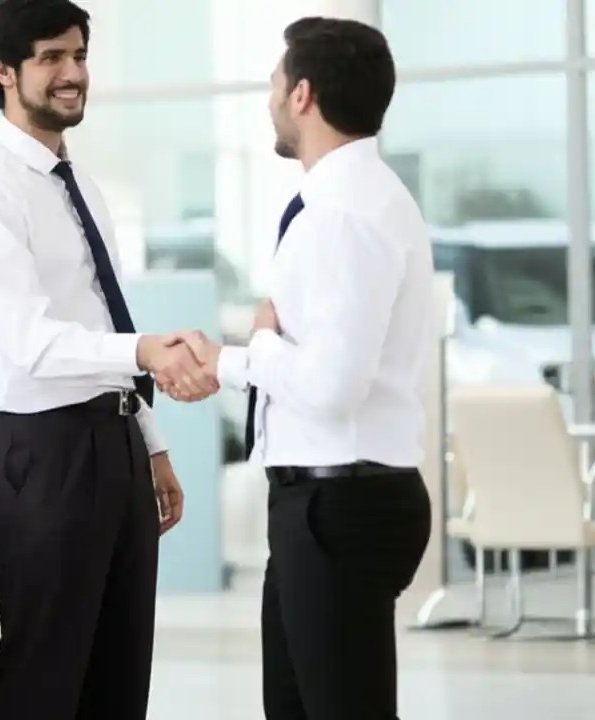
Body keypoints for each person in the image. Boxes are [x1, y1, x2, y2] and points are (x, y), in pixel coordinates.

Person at [0, 1, 216, 718]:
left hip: (110, 436)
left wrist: (149, 443)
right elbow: (30, 340)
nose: (74, 75)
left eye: (80, 56)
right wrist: (145, 352)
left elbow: (100, 316)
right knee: (44, 677)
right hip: (39, 450)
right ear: (4, 71)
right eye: (52, 58)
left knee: (118, 676)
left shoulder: (81, 183)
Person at [172, 16, 434, 720]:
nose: (268, 98)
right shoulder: (349, 202)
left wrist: (248, 352)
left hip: (340, 504)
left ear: (302, 96)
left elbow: (330, 386)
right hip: (324, 500)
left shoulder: (345, 214)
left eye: (274, 82)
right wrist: (244, 354)